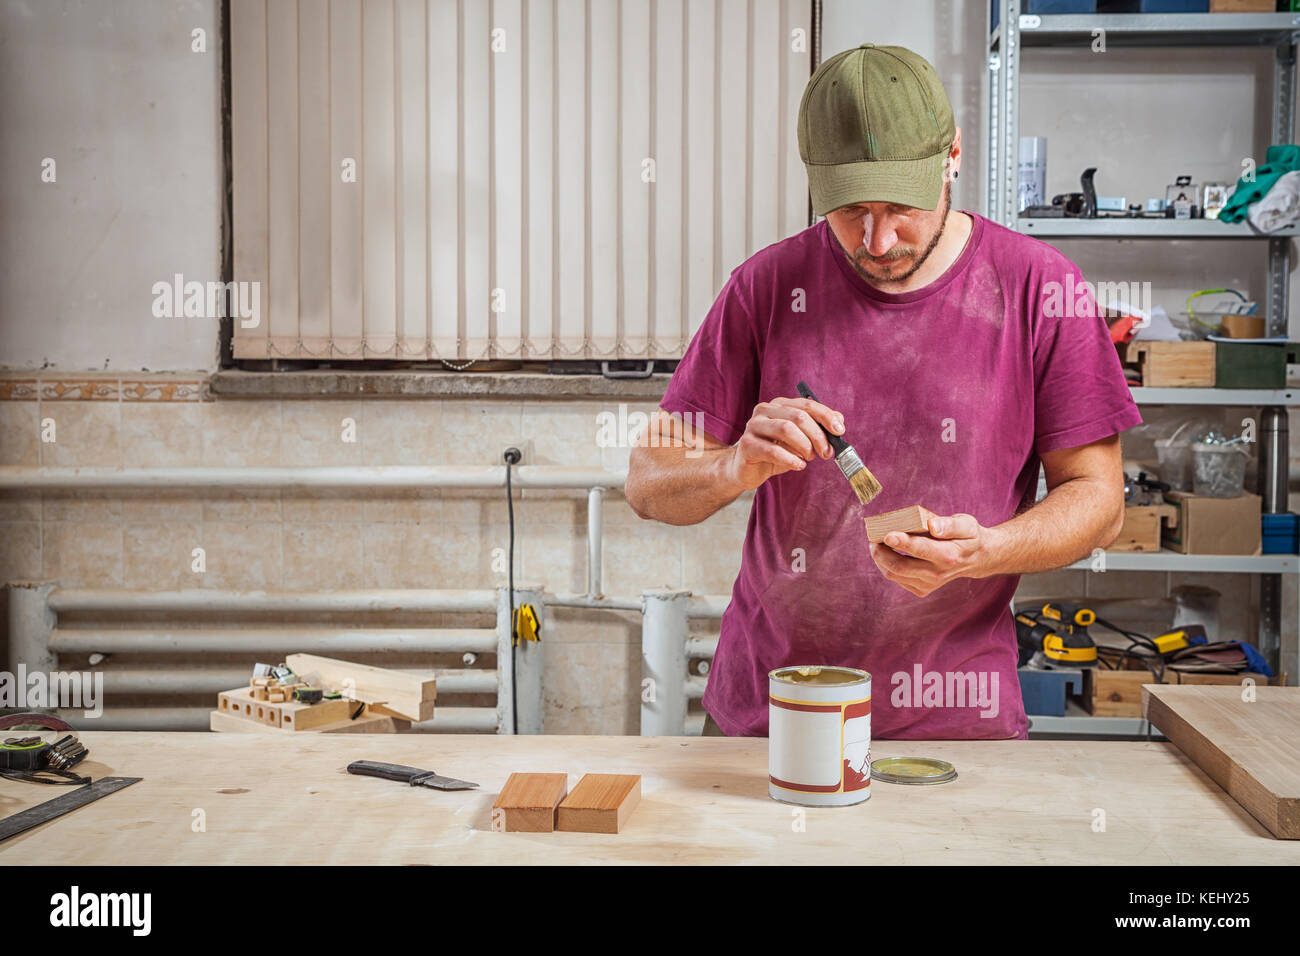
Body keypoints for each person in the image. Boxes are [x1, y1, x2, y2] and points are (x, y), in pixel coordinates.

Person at [624, 43, 1142, 739]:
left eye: (902, 206)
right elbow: (647, 481)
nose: (877, 239)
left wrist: (982, 551)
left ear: (953, 155)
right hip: (773, 715)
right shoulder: (767, 287)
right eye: (848, 211)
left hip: (957, 721)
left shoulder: (1040, 290)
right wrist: (733, 465)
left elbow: (1100, 504)